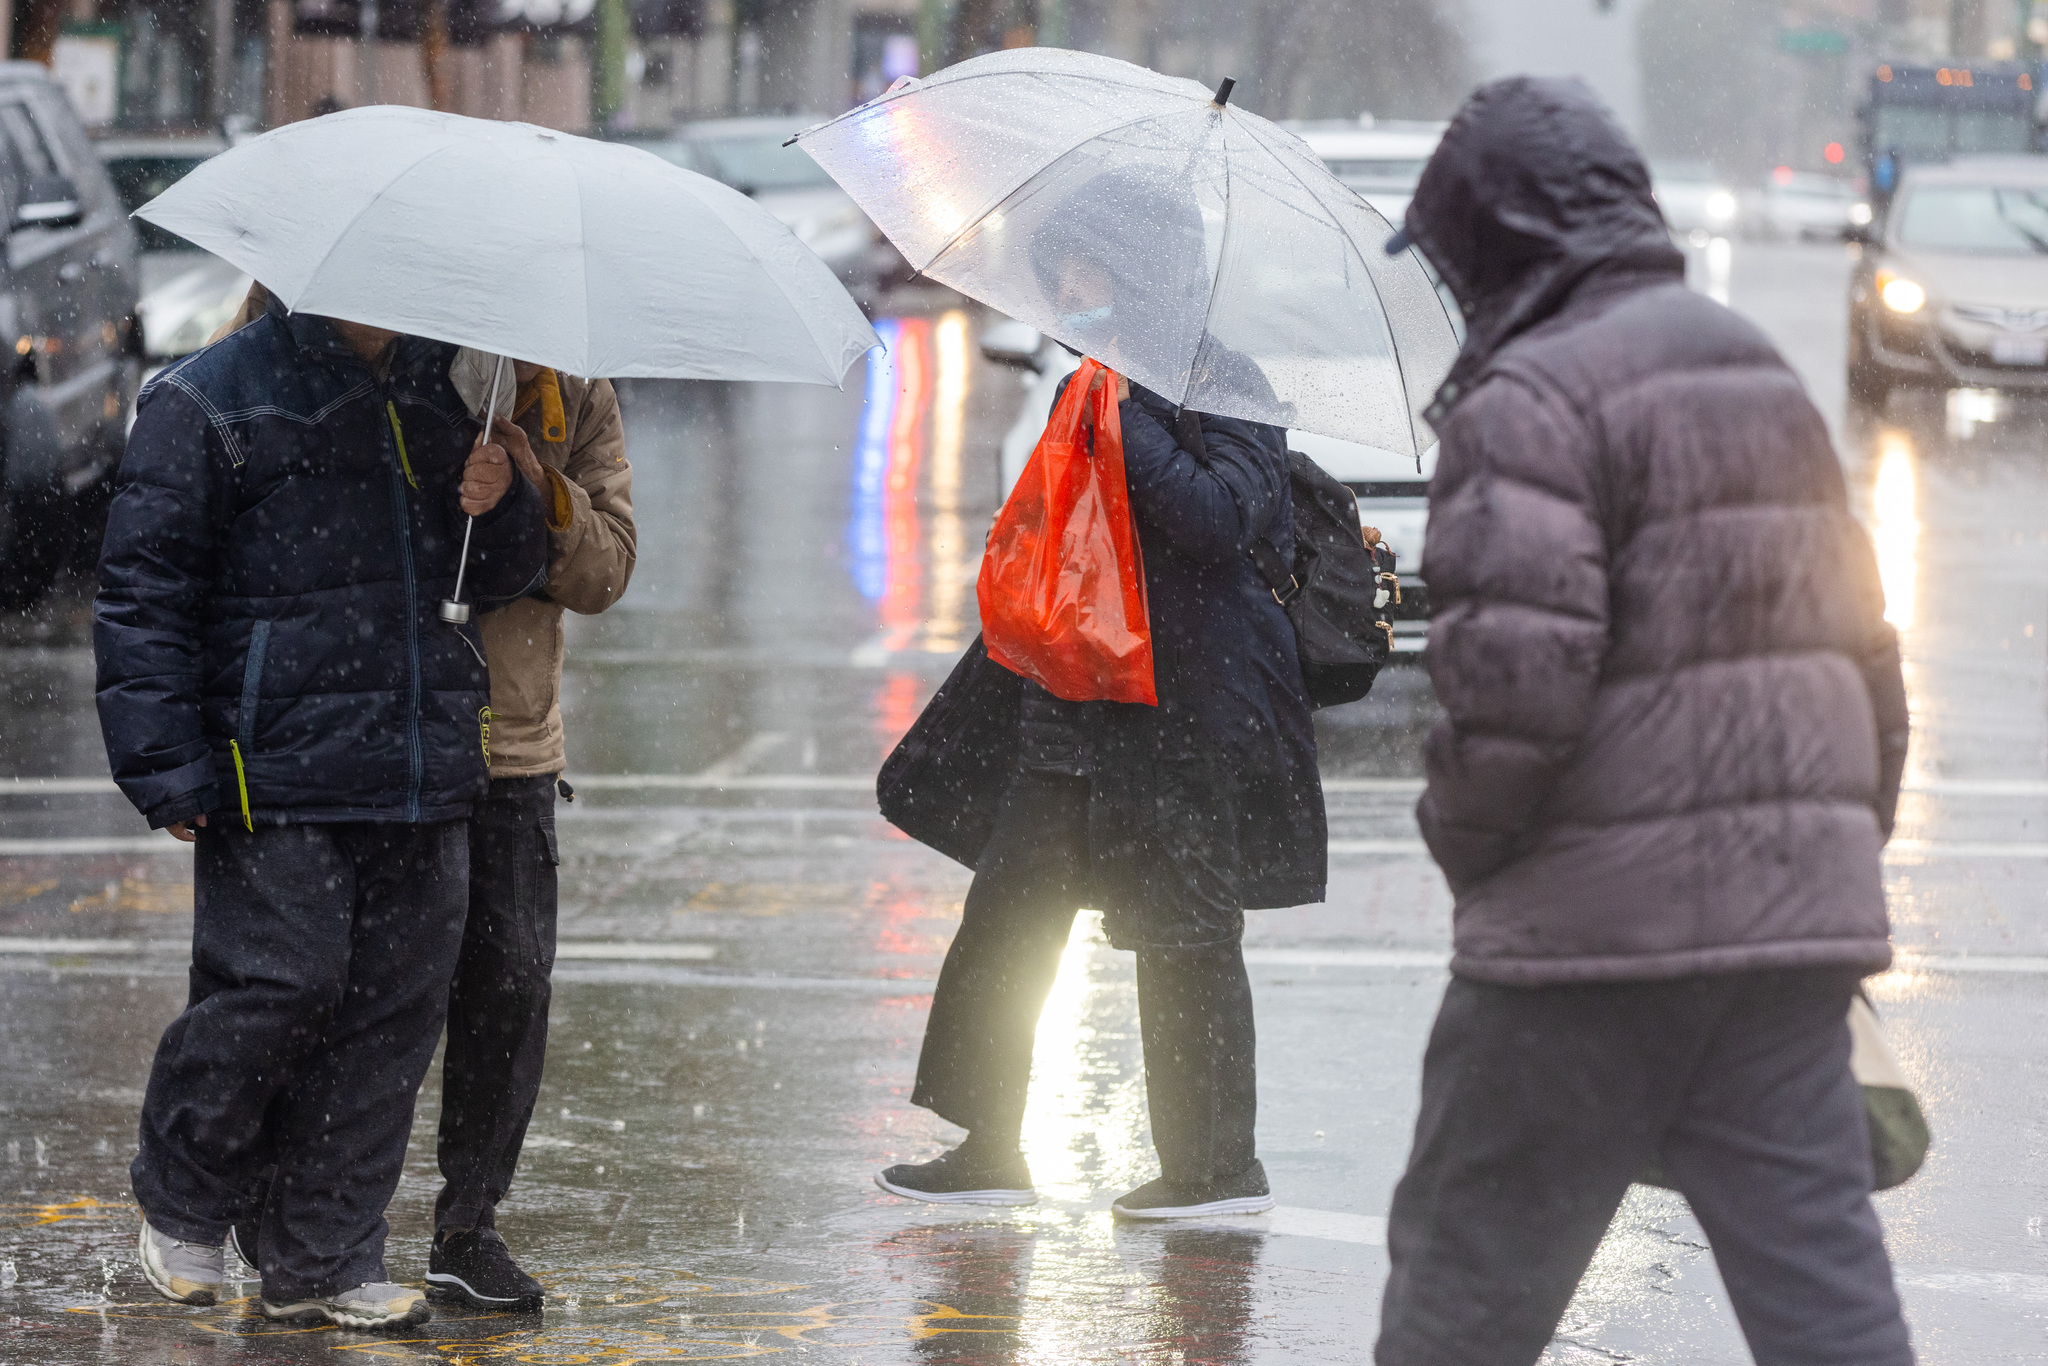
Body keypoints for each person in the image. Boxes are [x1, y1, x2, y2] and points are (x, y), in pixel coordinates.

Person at [1372, 77, 1914, 1364]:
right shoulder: (1753, 366)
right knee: (1824, 1304)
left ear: (1495, 239)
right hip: (1783, 948)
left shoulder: (1525, 398)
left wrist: (1469, 848)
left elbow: (1511, 700)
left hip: (1583, 950)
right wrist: (1815, 860)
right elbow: (1865, 659)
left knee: (1463, 1298)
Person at [96, 291, 548, 1330]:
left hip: (421, 764)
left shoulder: (447, 395)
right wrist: (164, 760)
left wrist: (503, 504)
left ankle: (324, 1256)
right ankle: (183, 1192)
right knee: (280, 986)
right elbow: (144, 592)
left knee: (390, 1016)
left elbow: (494, 580)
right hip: (276, 768)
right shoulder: (212, 399)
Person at [875, 340, 1325, 1217]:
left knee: (1185, 926)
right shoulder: (1089, 382)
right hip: (1071, 697)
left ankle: (1216, 1170)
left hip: (1180, 705)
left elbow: (1219, 516)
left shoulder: (1225, 383)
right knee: (1008, 913)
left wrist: (1124, 418)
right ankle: (989, 1147)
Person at [425, 356, 634, 1309]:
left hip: (509, 741)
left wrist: (538, 488)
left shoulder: (575, 389)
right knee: (362, 984)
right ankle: (304, 1205)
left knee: (509, 983)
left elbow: (607, 567)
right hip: (379, 723)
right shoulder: (375, 338)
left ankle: (469, 1223)